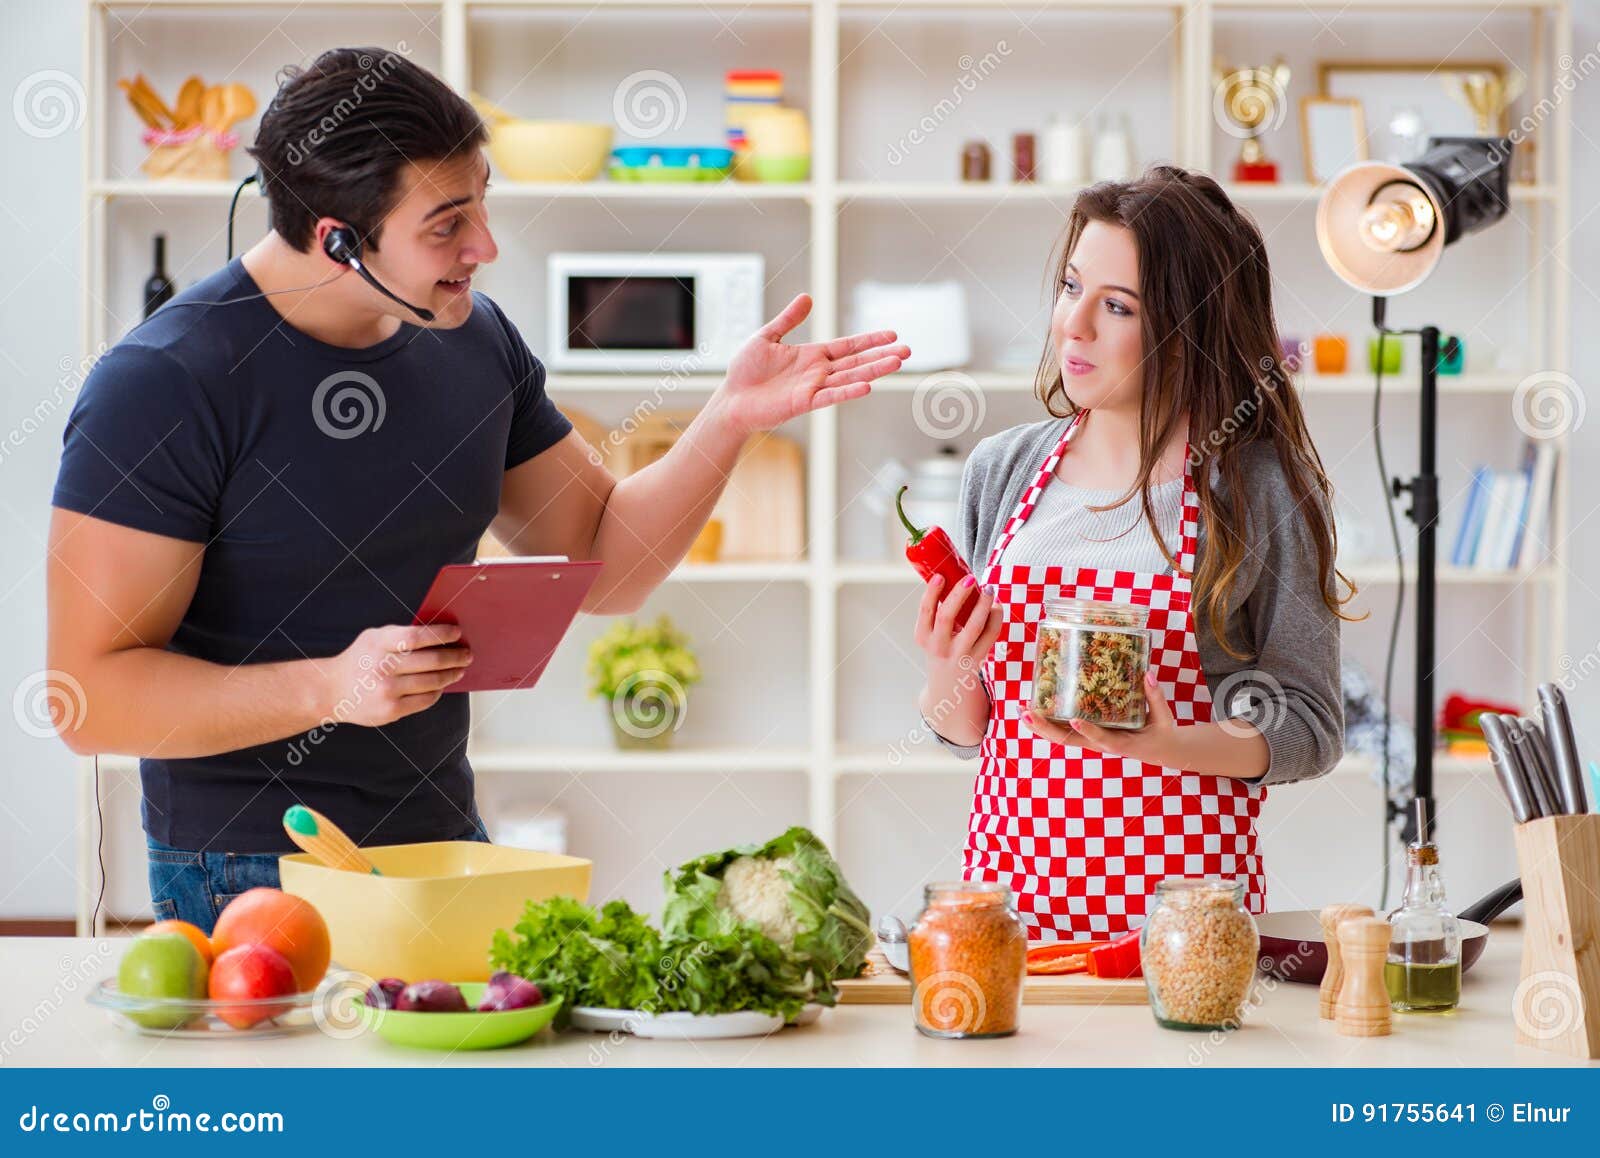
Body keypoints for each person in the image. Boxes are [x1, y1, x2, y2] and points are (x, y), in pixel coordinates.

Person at [46, 48, 907, 932]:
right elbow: (88, 695)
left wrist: (728, 418)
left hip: (442, 836)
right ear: (336, 236)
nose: (486, 247)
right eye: (447, 223)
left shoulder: (469, 338)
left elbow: (607, 565)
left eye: (482, 202)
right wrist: (329, 689)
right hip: (250, 866)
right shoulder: (165, 382)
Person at [913, 165, 1351, 943]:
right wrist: (949, 669)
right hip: (1013, 918)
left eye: (1115, 306)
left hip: (1187, 932)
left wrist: (1170, 743)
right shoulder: (1002, 471)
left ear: (1191, 331)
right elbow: (971, 734)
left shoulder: (1258, 488)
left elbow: (1310, 724)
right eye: (1071, 286)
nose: (1071, 326)